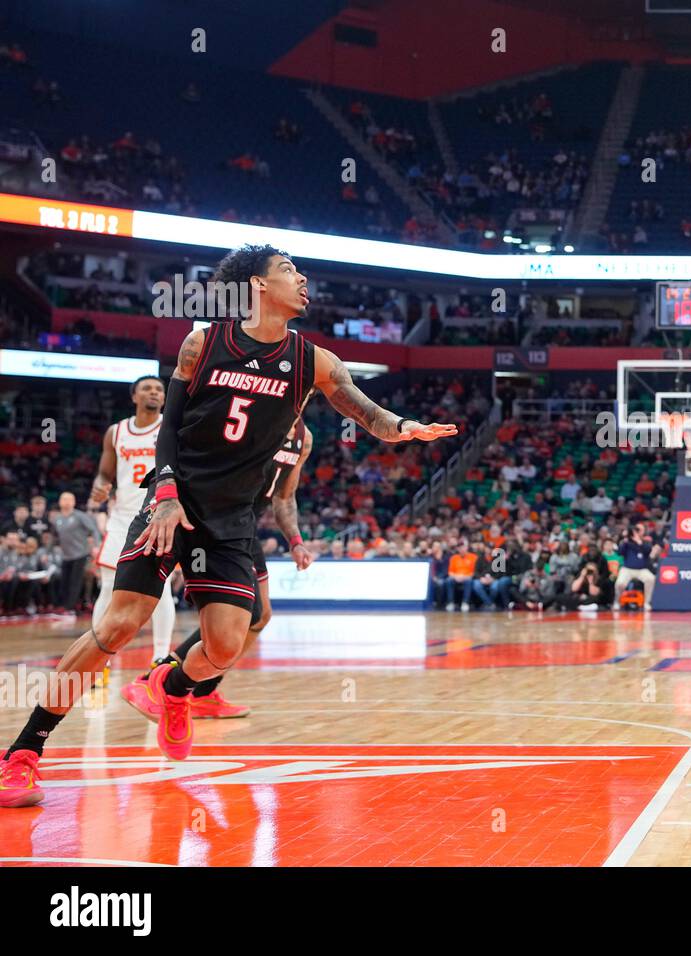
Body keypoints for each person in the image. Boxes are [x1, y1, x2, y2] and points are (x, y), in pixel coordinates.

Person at [0, 244, 458, 808]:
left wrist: (405, 428)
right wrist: (164, 492)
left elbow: (369, 414)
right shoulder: (204, 343)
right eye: (289, 270)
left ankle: (172, 685)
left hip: (233, 519)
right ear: (258, 286)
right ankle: (23, 753)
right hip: (176, 500)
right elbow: (168, 428)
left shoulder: (314, 360)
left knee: (225, 644)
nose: (303, 278)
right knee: (118, 626)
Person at [122, 416, 313, 719]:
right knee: (247, 614)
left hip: (243, 526)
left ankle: (202, 690)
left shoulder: (305, 438)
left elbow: (284, 497)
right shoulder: (259, 417)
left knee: (259, 616)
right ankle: (155, 681)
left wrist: (295, 540)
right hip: (220, 520)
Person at [89, 375, 175, 662]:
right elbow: (105, 472)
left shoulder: (172, 427)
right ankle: (98, 656)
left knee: (159, 589)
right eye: (147, 389)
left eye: (159, 390)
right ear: (134, 396)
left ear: (164, 398)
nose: (154, 393)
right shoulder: (116, 432)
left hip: (157, 516)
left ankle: (160, 659)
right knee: (108, 588)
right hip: (122, 518)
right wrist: (100, 485)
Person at [50, 492, 100, 615]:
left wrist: (96, 546)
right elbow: (54, 537)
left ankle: (70, 607)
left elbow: (93, 530)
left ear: (73, 502)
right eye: (64, 499)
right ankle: (63, 605)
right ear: (60, 502)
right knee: (64, 581)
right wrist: (49, 551)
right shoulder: (58, 519)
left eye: (69, 499)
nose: (66, 502)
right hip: (66, 555)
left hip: (80, 554)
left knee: (75, 581)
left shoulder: (80, 516)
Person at [615, 523, 659, 609]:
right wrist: (625, 540)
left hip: (642, 570)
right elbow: (620, 552)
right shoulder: (626, 542)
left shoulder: (646, 542)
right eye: (635, 530)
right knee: (620, 583)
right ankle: (616, 601)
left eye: (639, 530)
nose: (636, 532)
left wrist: (639, 542)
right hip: (627, 569)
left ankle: (647, 603)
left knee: (651, 579)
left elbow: (648, 551)